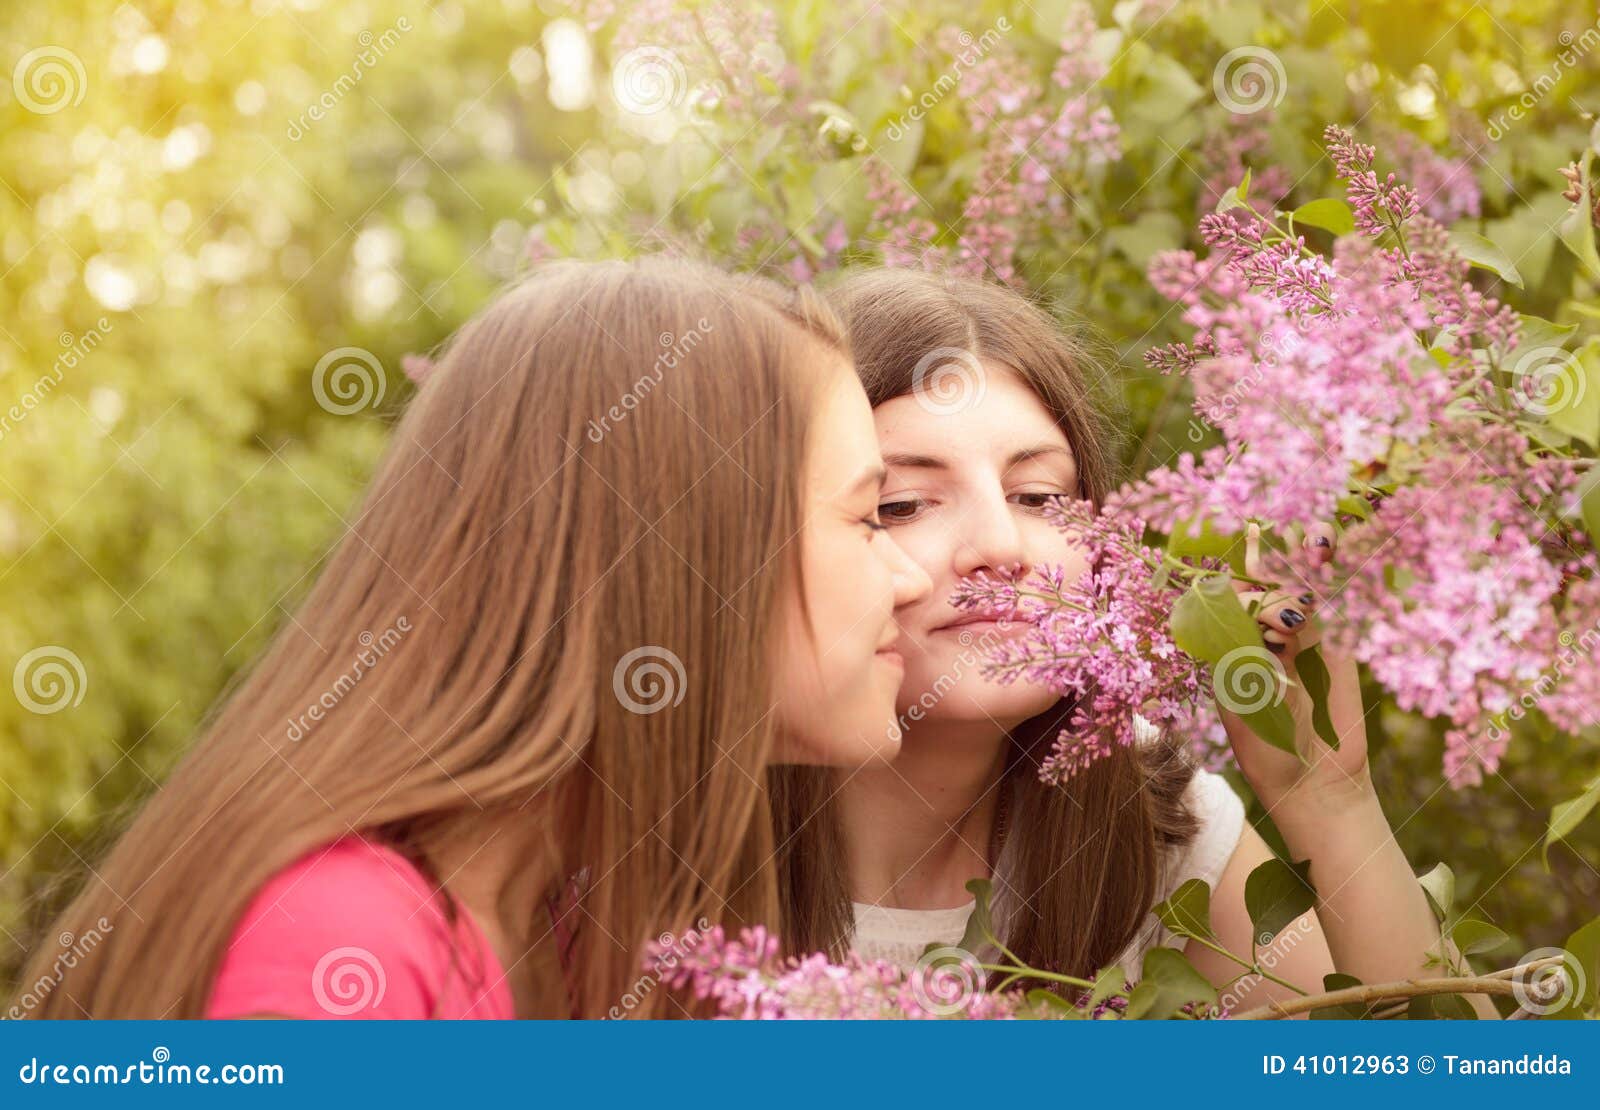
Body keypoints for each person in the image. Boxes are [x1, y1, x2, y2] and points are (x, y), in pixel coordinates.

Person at [13, 257, 929, 1019]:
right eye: (869, 516)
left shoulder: (569, 929)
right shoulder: (346, 955)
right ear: (697, 549)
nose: (912, 576)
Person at [772, 266, 1485, 1015]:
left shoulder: (1151, 824)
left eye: (1040, 497)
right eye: (904, 503)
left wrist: (1326, 797)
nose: (999, 543)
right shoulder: (676, 846)